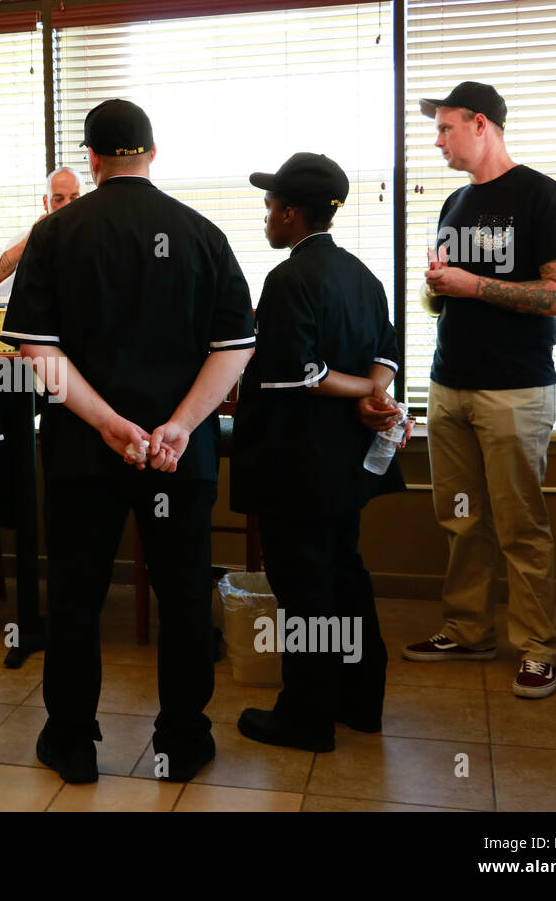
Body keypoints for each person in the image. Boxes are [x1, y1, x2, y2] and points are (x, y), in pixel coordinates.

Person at [0, 99, 256, 784]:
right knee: (181, 598)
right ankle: (182, 740)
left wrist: (109, 424)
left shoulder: (56, 235)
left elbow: (36, 351)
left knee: (78, 596)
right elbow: (235, 348)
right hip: (180, 453)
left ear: (91, 159)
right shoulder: (201, 234)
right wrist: (179, 425)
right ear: (152, 152)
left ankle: (73, 742)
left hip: (86, 455)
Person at [404, 82, 556, 699]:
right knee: (461, 520)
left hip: (516, 391)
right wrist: (437, 286)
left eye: (447, 128)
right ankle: (468, 630)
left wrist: (470, 283)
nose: (437, 140)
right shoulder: (453, 201)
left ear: (481, 124)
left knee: (520, 528)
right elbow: (443, 296)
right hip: (449, 384)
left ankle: (538, 648)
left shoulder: (543, 196)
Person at [229, 153, 408, 753]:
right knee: (345, 574)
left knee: (305, 590)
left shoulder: (289, 279)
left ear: (292, 212)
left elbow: (299, 376)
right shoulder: (363, 275)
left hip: (294, 464)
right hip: (347, 464)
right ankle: (360, 702)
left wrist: (362, 390)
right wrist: (373, 390)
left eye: (270, 207)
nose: (266, 218)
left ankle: (306, 716)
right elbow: (388, 353)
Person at [0, 166, 83, 296]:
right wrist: (28, 242)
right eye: (58, 199)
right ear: (46, 202)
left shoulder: (97, 236)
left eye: (74, 198)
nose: (66, 206)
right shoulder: (26, 239)